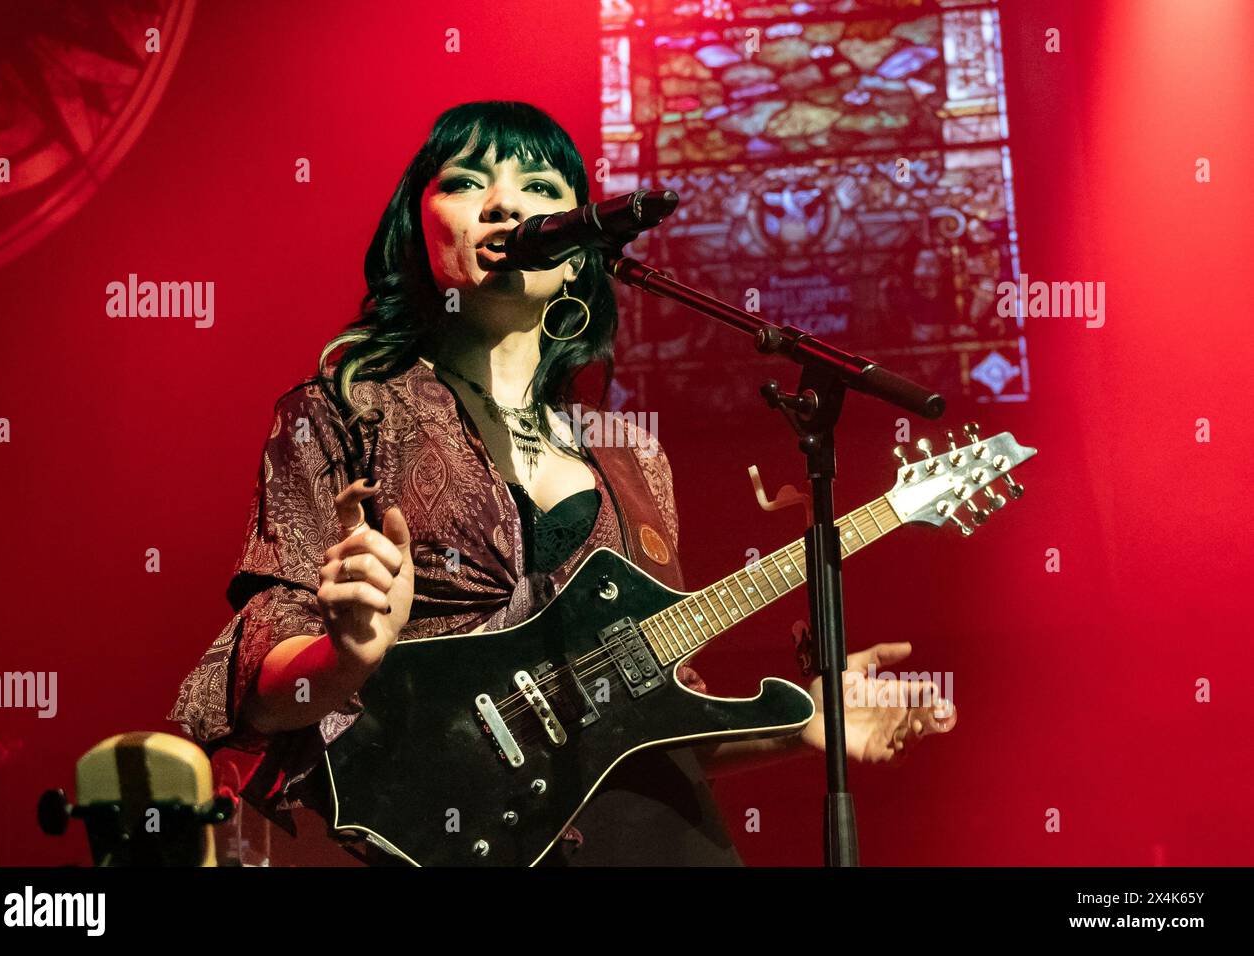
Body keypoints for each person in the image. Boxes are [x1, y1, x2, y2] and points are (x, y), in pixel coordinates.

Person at [168, 100, 956, 866]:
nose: (506, 203)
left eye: (541, 188)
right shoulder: (344, 411)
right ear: (420, 227)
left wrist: (811, 727)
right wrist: (344, 658)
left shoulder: (632, 457)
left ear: (578, 251)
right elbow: (258, 684)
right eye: (467, 181)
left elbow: (646, 720)